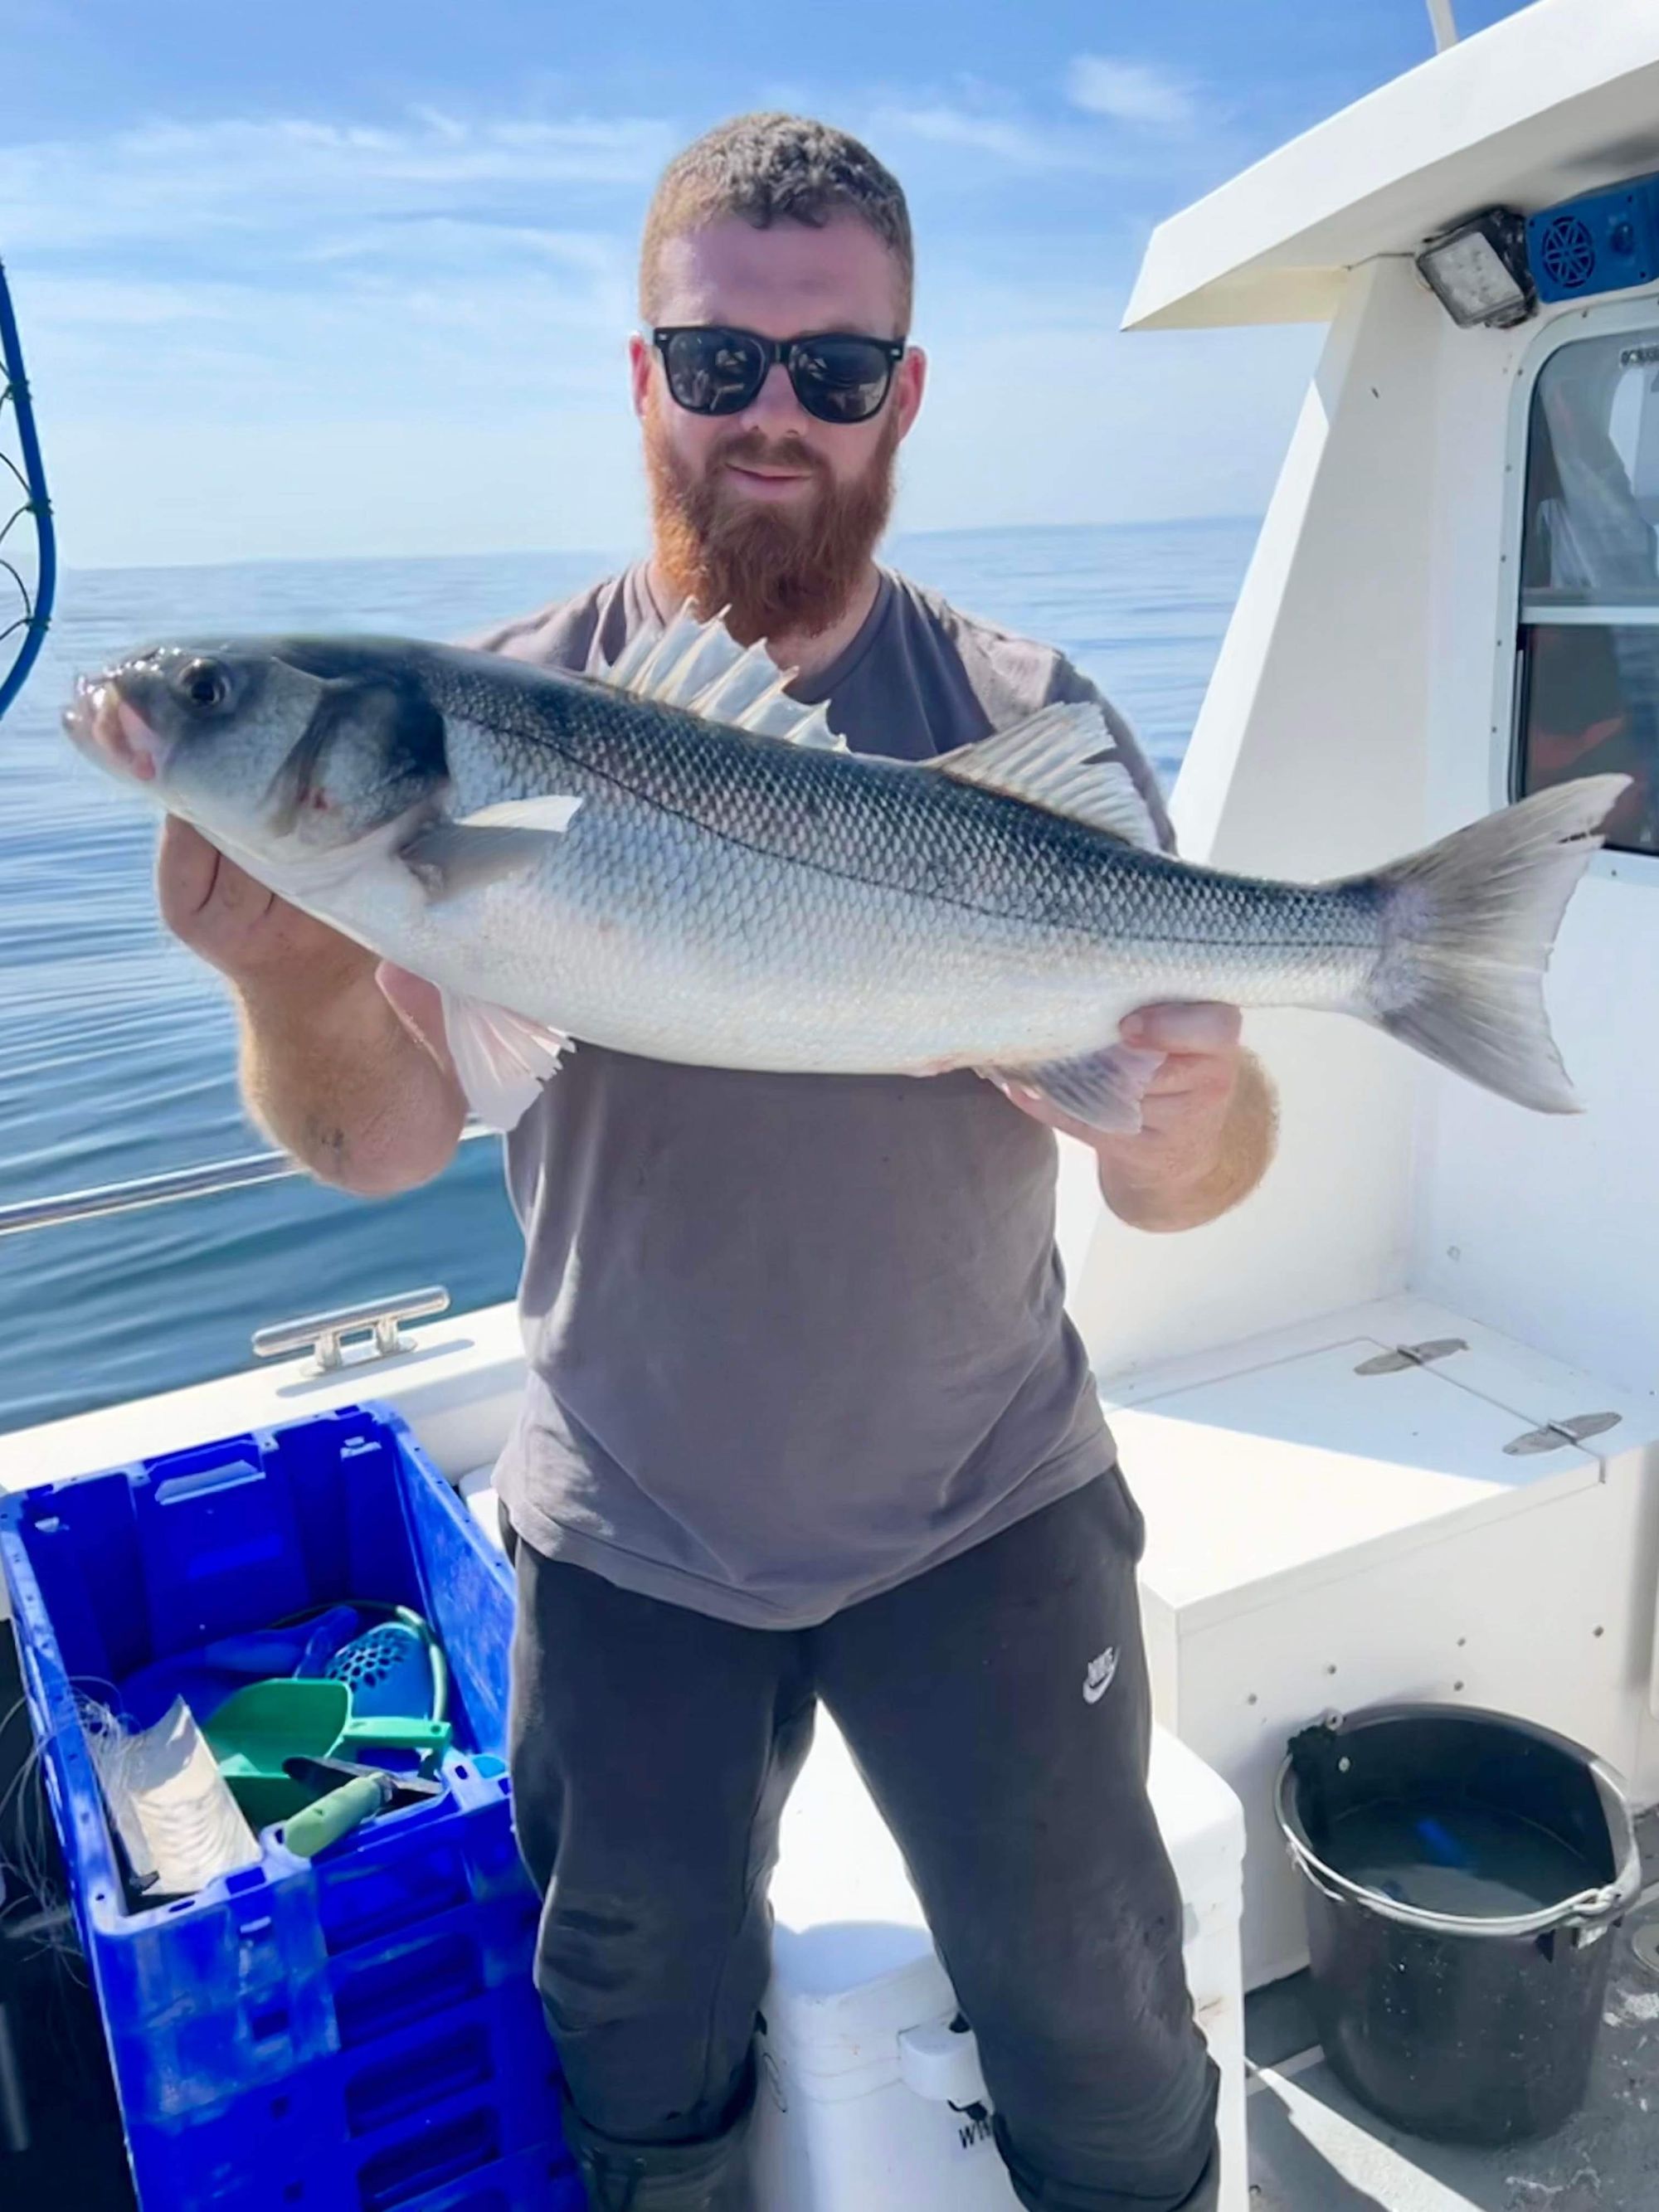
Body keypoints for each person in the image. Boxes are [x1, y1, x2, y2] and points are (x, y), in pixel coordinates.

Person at [158, 113, 1276, 2212]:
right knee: (636, 2045)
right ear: (643, 373)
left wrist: (1196, 1121)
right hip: (630, 1524)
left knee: (1110, 2040)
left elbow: (1181, 1169)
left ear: (903, 393)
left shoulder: (1023, 712)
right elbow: (384, 1137)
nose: (774, 412)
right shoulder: (492, 730)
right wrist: (288, 981)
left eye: (832, 367)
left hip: (987, 1504)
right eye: (718, 358)